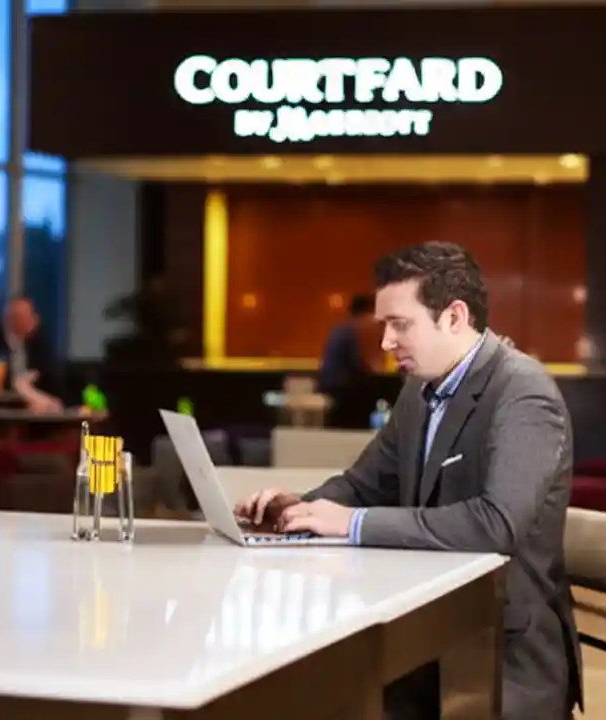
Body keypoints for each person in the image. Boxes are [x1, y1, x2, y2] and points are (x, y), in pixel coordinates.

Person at [235, 242, 582, 720]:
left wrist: (352, 524)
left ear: (454, 317)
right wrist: (298, 508)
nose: (385, 343)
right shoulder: (418, 390)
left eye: (400, 325)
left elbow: (496, 526)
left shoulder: (524, 394)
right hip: (425, 639)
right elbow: (363, 484)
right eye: (384, 326)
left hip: (498, 654)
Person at [0, 296, 64, 405]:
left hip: (34, 409)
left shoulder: (40, 343)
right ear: (12, 320)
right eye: (30, 316)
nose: (36, 320)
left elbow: (53, 379)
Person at [318, 293, 378, 428]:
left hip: (331, 387)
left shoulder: (341, 329)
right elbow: (359, 363)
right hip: (344, 391)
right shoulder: (354, 331)